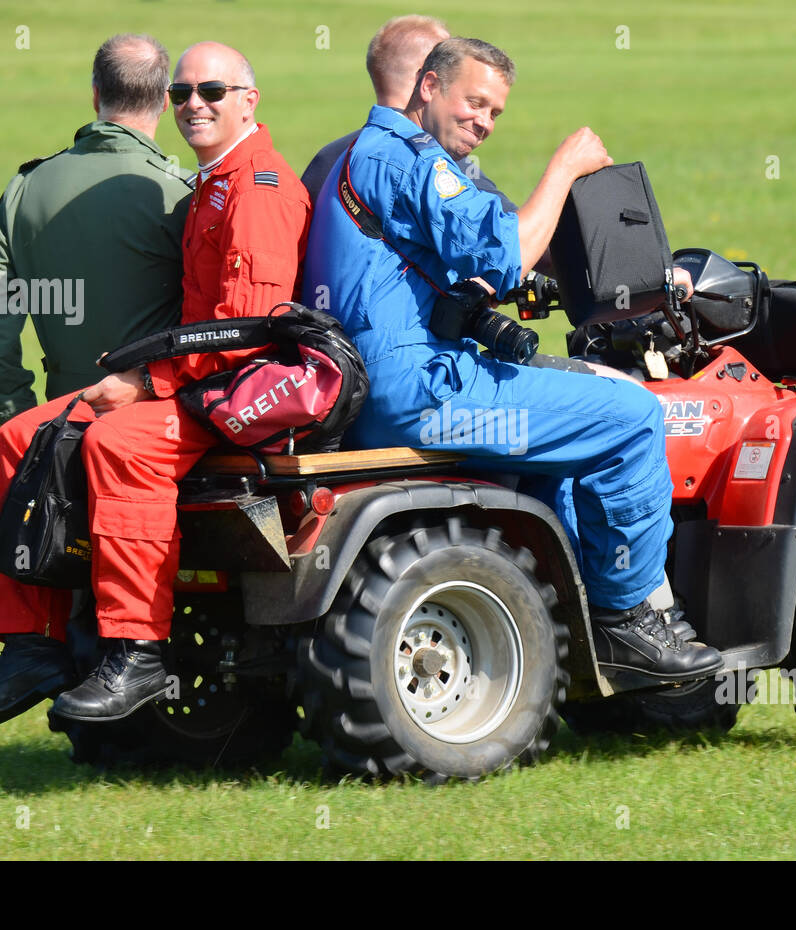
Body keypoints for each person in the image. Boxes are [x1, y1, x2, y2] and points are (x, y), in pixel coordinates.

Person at [302, 38, 722, 683]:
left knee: (564, 432)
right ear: (429, 86)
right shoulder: (415, 160)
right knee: (633, 414)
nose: (484, 122)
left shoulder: (358, 155)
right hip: (425, 398)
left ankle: (568, 615)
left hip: (373, 392)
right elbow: (503, 256)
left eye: (495, 112)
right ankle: (628, 621)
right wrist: (566, 168)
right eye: (473, 102)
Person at [0, 41, 310, 731]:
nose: (193, 104)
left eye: (211, 92)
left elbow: (243, 333)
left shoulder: (257, 185)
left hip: (227, 396)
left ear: (249, 101)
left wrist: (144, 381)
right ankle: (30, 647)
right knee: (20, 437)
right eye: (181, 94)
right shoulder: (210, 182)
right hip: (190, 383)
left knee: (117, 443)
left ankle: (135, 648)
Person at [0, 34, 191, 425]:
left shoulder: (26, 187)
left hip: (59, 428)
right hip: (162, 434)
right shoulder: (185, 195)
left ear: (95, 94)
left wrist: (17, 415)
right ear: (166, 100)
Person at [300, 15, 514, 215]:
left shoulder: (327, 159)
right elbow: (517, 245)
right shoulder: (434, 164)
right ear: (428, 81)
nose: (485, 123)